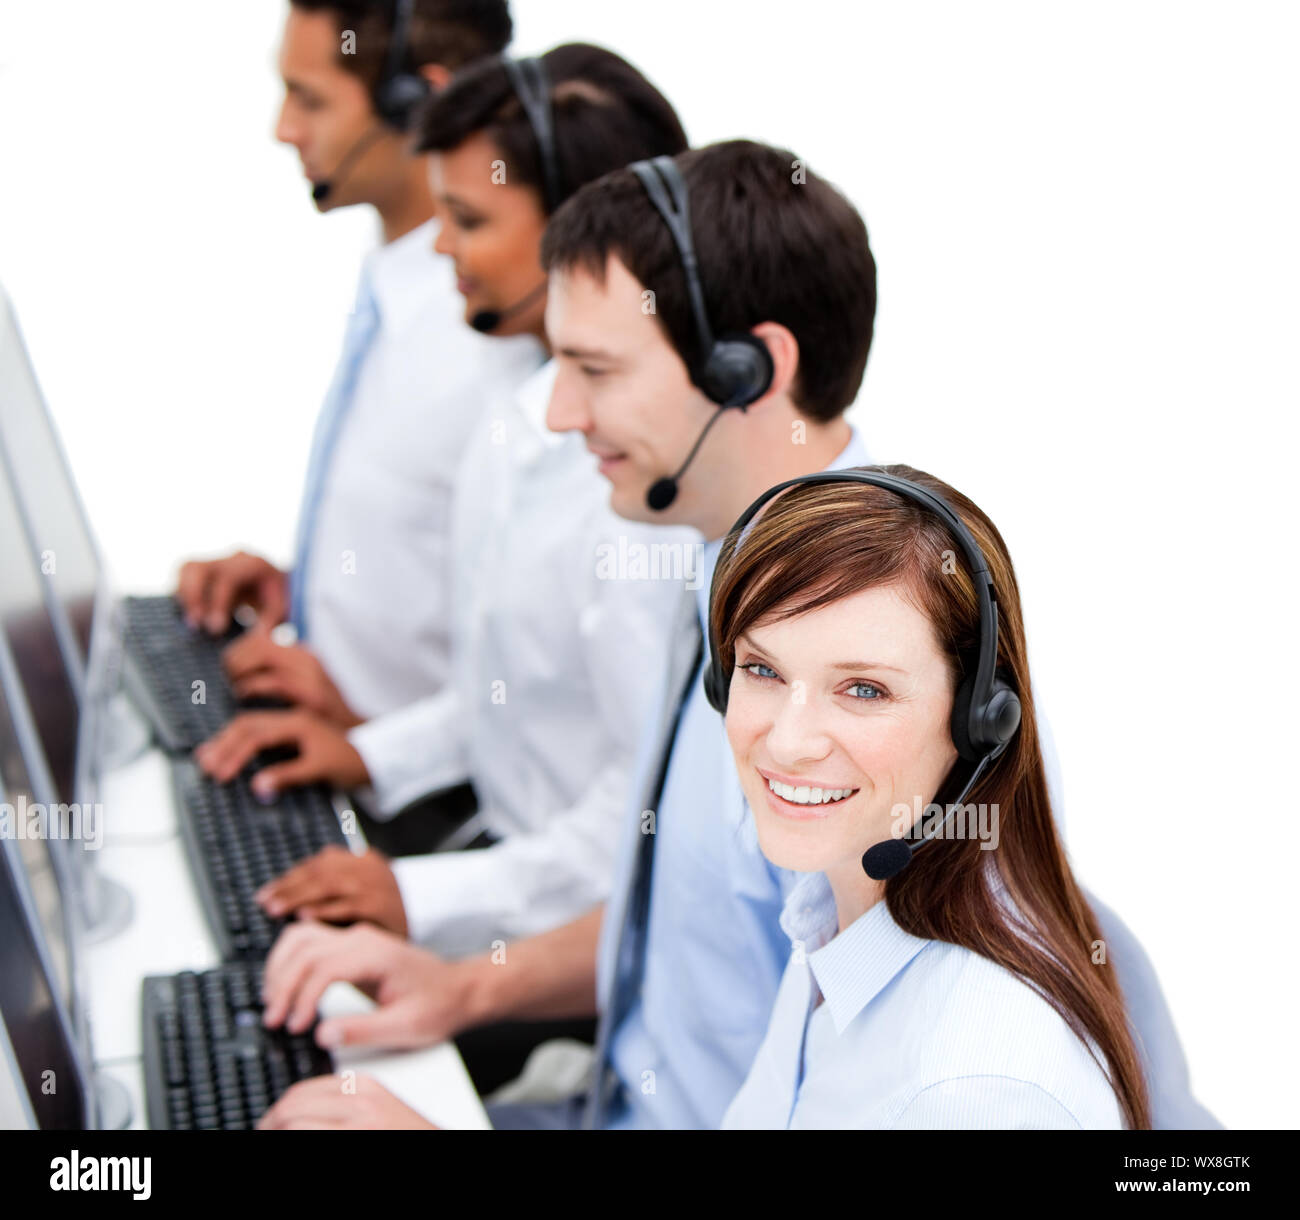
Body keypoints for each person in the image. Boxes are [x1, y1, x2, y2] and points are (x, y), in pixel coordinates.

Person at [254, 141, 1213, 1130]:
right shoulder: (726, 578)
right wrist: (469, 987)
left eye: (594, 368)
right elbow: (689, 937)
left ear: (751, 369)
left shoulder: (886, 694)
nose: (558, 411)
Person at [195, 46, 694, 956]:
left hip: (564, 932)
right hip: (494, 856)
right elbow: (495, 692)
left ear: (585, 241)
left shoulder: (643, 497)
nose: (438, 244)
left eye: (466, 218)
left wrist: (418, 896)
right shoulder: (514, 412)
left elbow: (636, 815)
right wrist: (372, 758)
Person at [711, 466, 1144, 1128]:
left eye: (863, 689)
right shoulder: (833, 921)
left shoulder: (978, 1093)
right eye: (763, 669)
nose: (790, 742)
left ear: (979, 722)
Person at [174, 0, 540, 741]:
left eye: (308, 98)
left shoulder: (498, 338)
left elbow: (548, 690)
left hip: (422, 814)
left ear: (421, 100)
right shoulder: (394, 285)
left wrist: (368, 737)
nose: (283, 129)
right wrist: (303, 590)